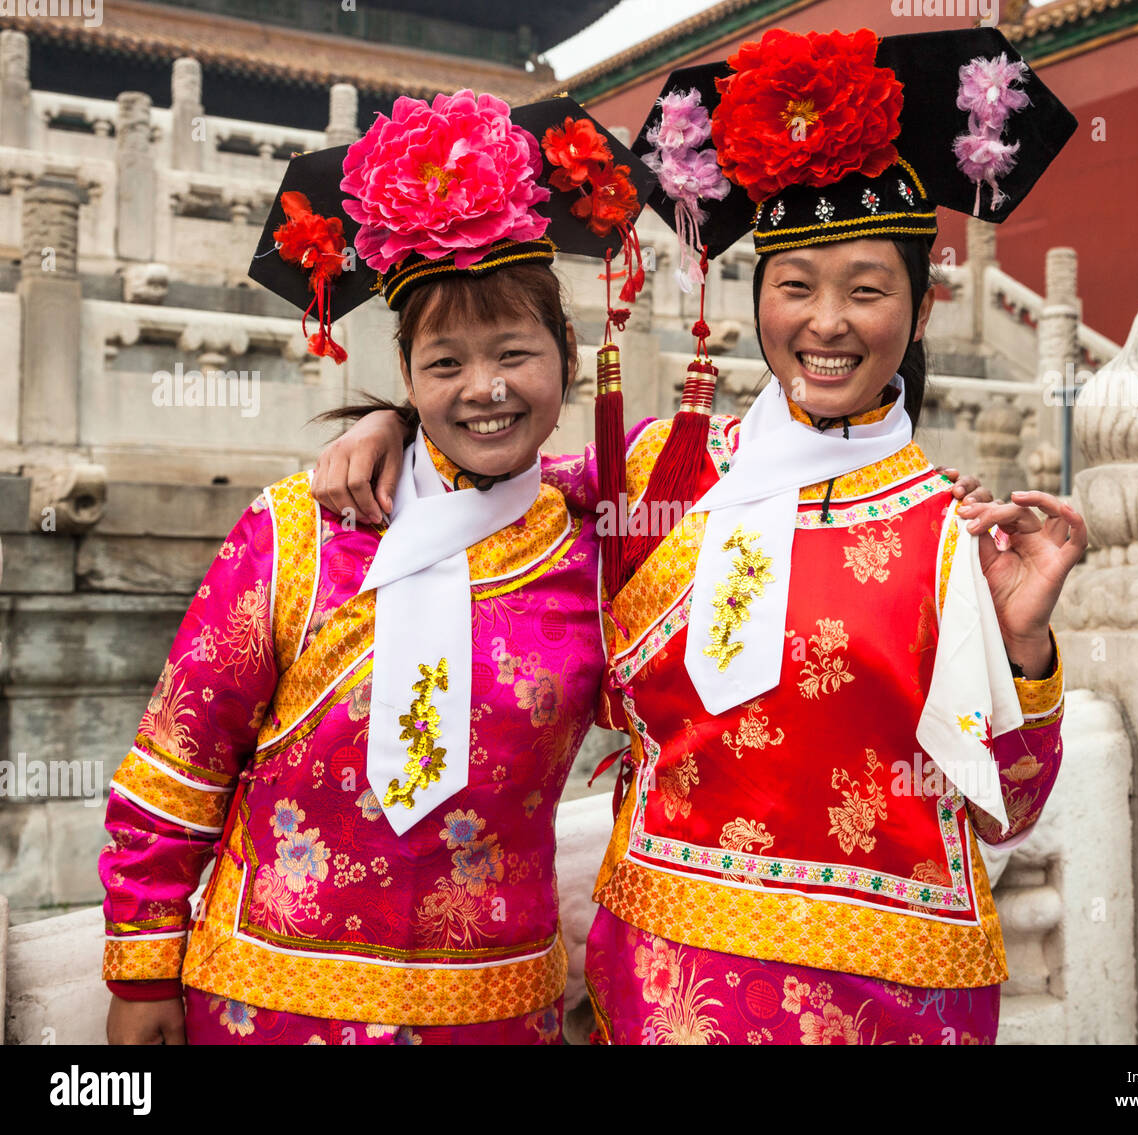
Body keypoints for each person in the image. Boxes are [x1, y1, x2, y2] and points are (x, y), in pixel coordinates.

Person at [312, 27, 1063, 1046]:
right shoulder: (668, 467)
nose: (827, 322)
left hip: (891, 993)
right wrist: (389, 419)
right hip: (673, 973)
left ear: (921, 310)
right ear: (756, 301)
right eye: (796, 286)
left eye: (867, 289)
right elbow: (492, 480)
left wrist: (1023, 646)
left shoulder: (950, 525)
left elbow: (1005, 809)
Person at [99, 90, 647, 1044]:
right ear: (406, 373)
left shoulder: (601, 537)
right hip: (267, 1000)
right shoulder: (295, 532)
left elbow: (737, 467)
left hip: (492, 1012)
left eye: (516, 354)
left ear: (567, 359)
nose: (486, 389)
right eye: (444, 366)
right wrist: (142, 968)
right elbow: (180, 761)